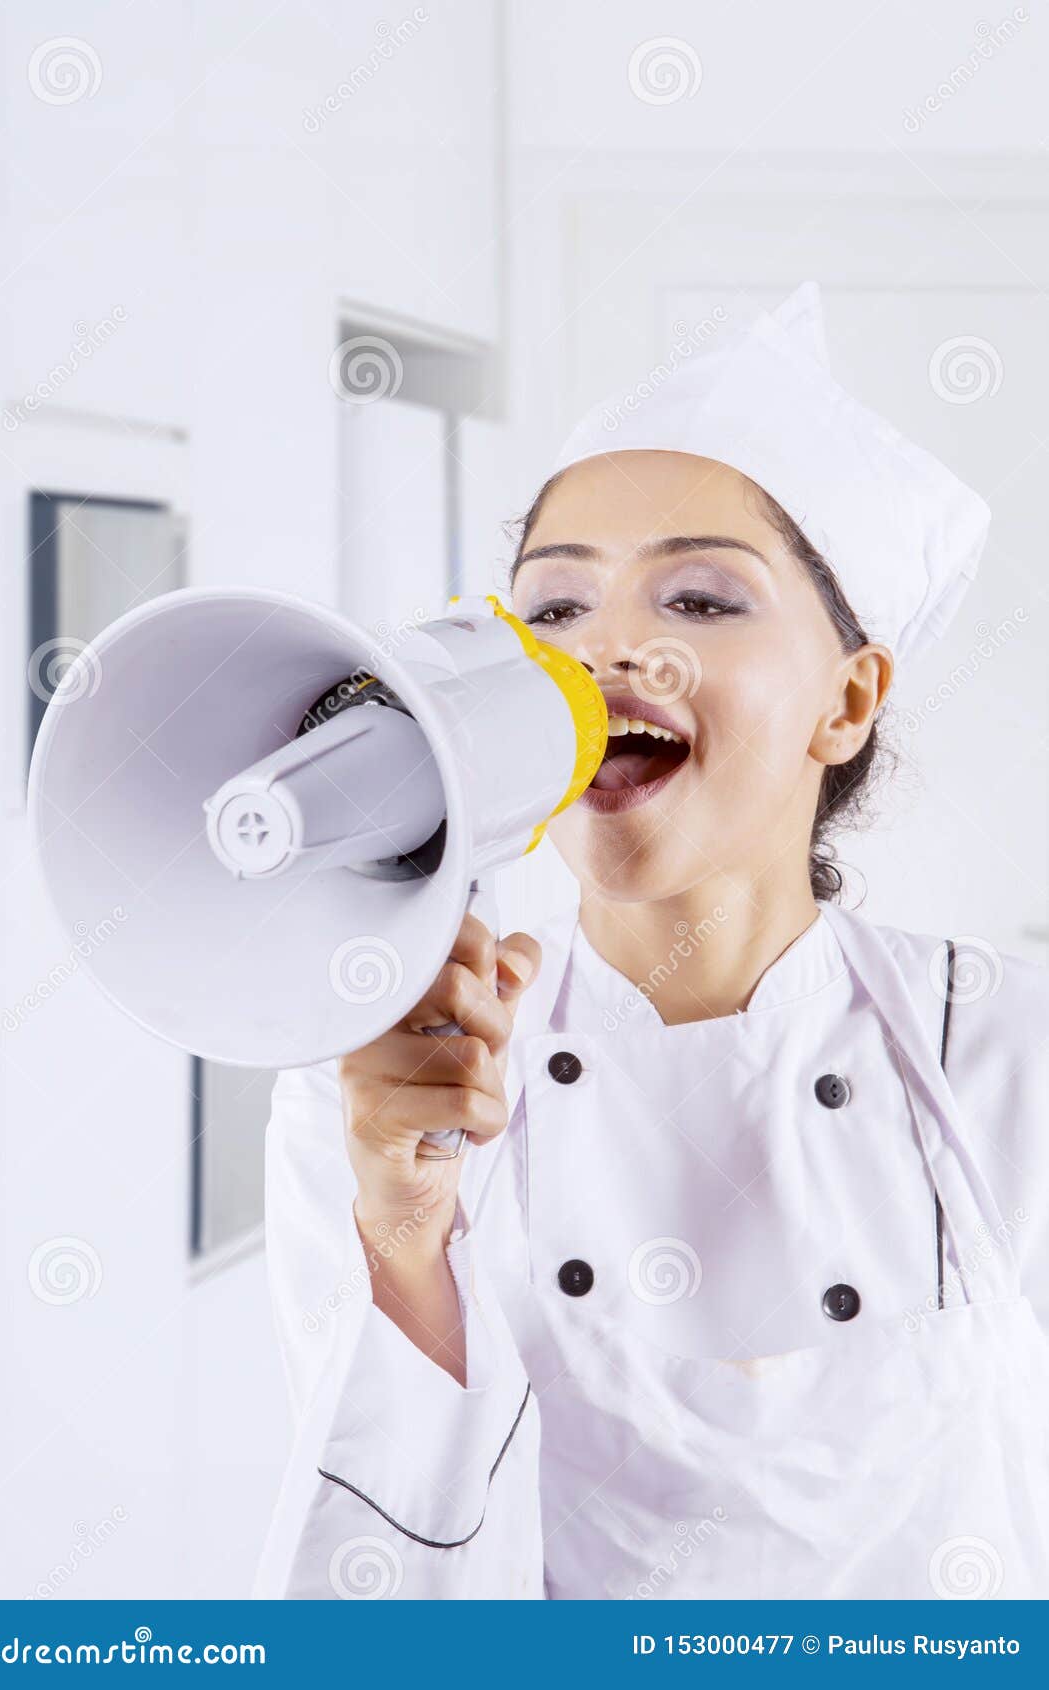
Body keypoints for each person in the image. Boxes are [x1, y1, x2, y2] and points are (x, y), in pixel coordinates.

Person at [255, 284, 1049, 1601]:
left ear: (849, 700)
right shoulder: (369, 1092)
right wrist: (407, 1234)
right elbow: (376, 1611)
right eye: (554, 612)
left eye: (701, 599)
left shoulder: (1016, 1058)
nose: (613, 649)